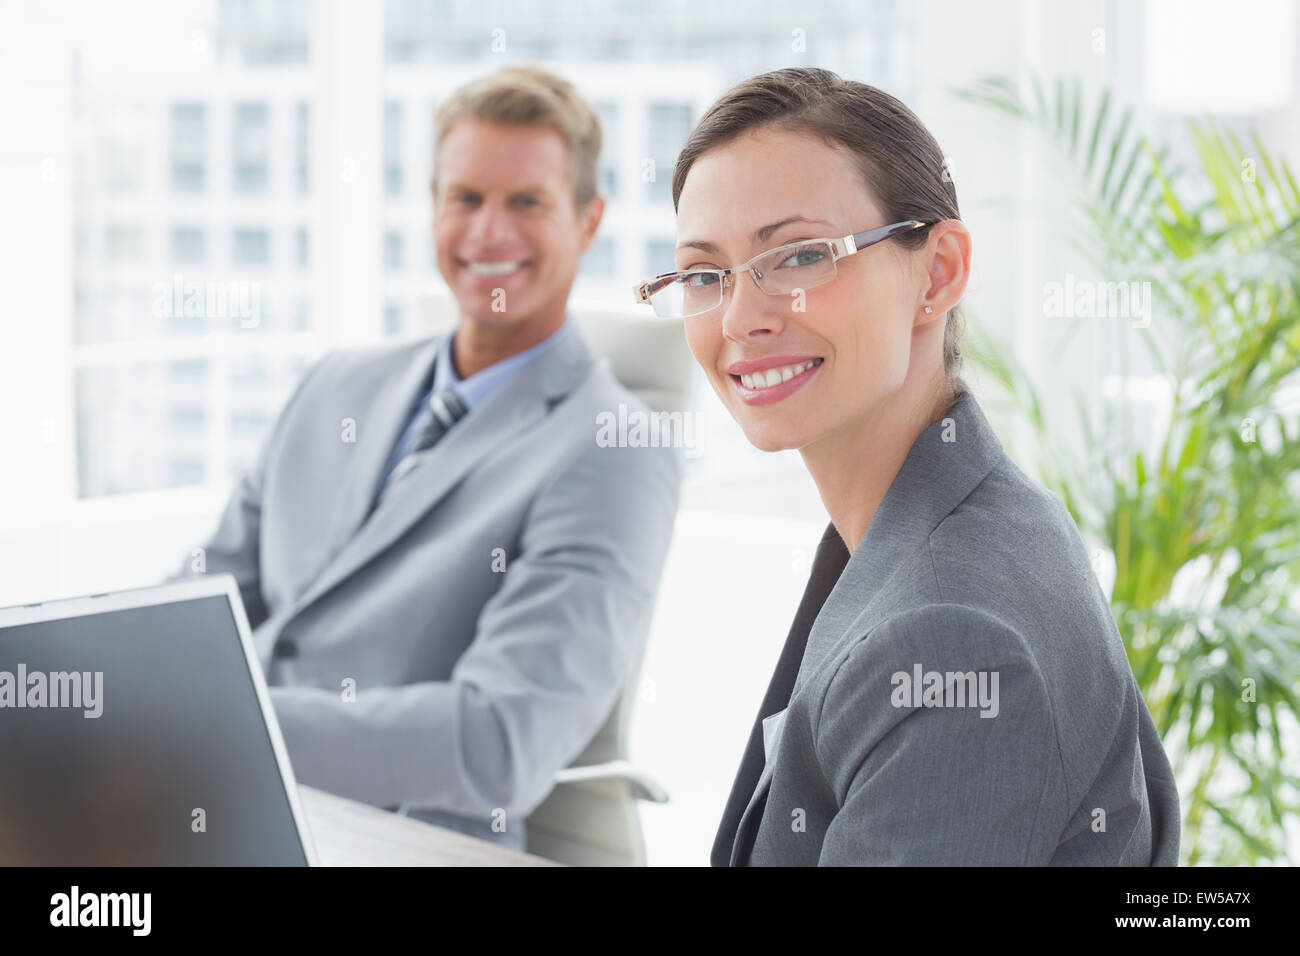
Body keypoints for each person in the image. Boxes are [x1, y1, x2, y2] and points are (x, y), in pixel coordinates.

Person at [636, 67, 1180, 865]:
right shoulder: (960, 515)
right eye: (704, 275)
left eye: (799, 257)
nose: (742, 318)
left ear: (937, 272)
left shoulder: (952, 641)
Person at [177, 66, 682, 851]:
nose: (488, 233)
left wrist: (228, 725)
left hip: (395, 839)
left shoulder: (614, 449)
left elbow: (497, 743)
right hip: (217, 801)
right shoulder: (336, 383)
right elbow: (207, 601)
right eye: (465, 198)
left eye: (527, 202)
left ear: (588, 221)